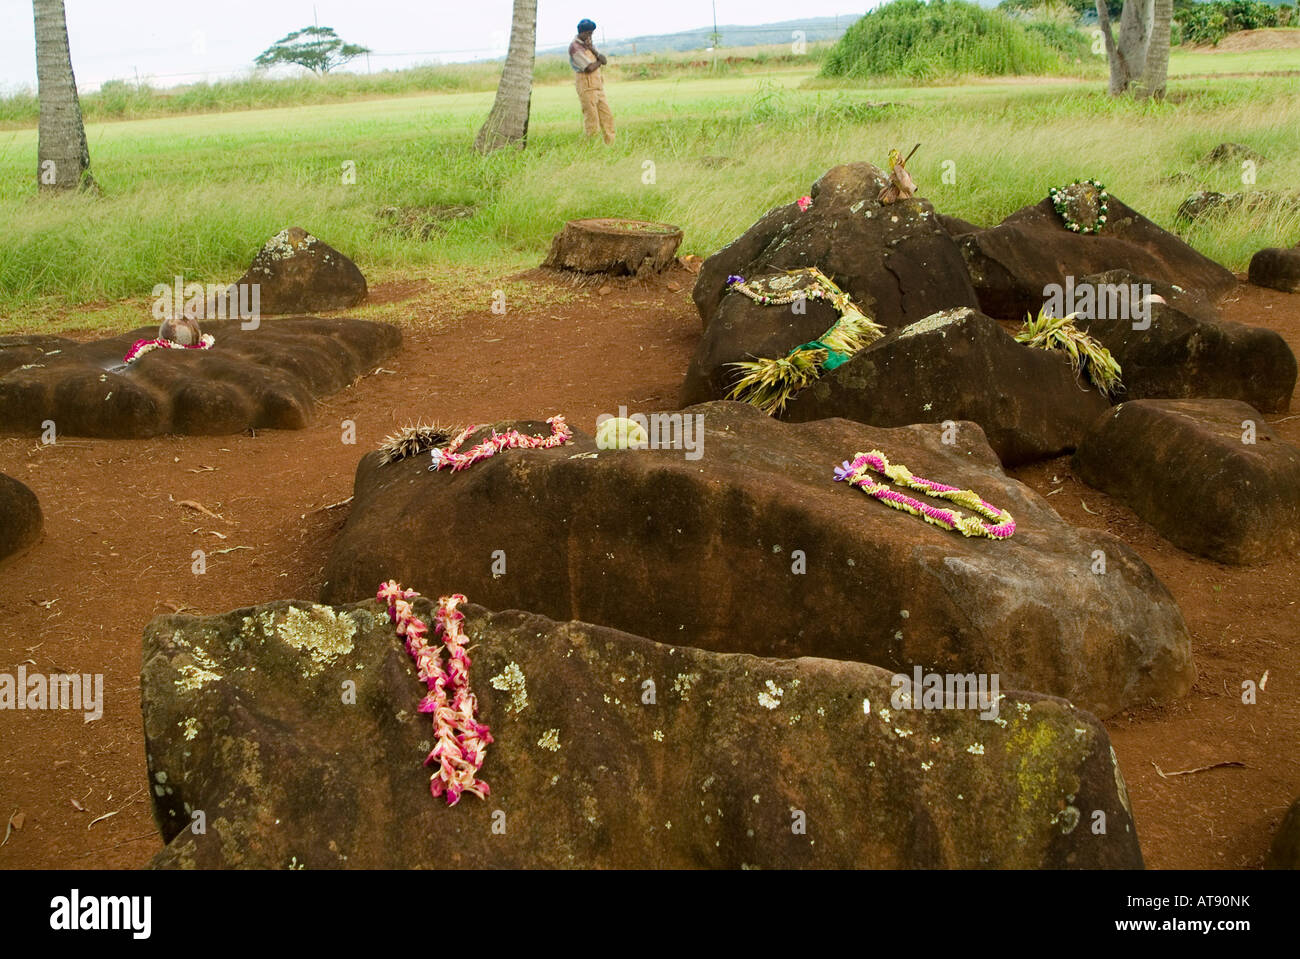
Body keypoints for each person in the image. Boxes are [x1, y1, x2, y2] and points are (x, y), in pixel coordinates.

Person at [569, 18, 615, 145]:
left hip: (598, 86)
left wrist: (592, 48)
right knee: (592, 119)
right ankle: (593, 146)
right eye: (588, 33)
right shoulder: (575, 47)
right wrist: (599, 61)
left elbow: (604, 60)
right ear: (581, 32)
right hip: (586, 86)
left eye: (592, 33)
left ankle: (610, 144)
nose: (590, 36)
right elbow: (589, 68)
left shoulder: (588, 45)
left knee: (607, 116)